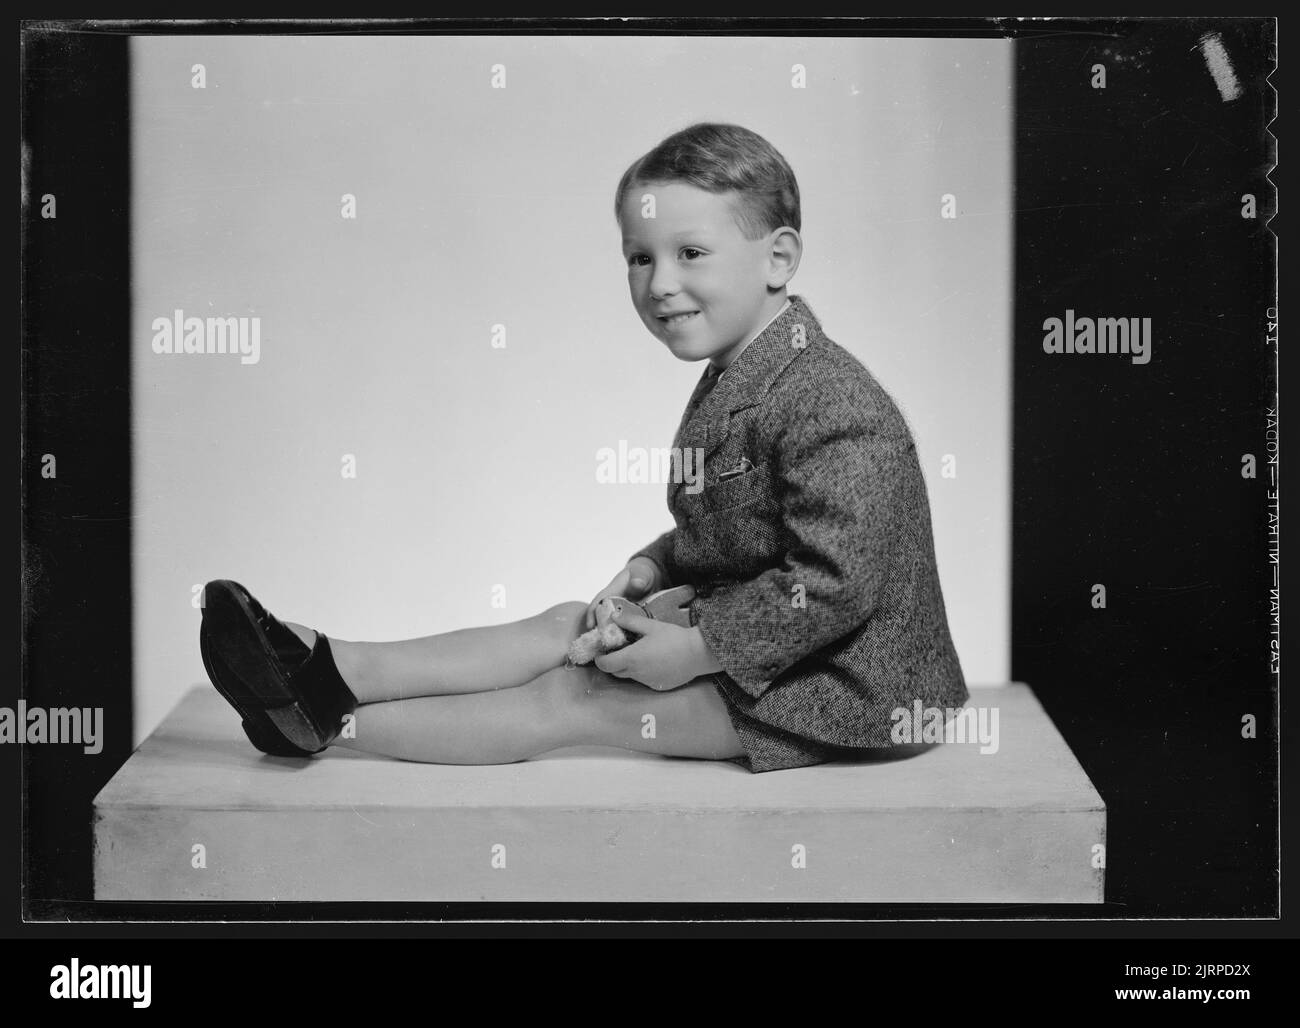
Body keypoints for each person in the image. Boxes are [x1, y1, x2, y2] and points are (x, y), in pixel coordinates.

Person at [200, 121, 967, 772]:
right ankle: (329, 663)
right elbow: (748, 521)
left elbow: (833, 585)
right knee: (566, 623)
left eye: (689, 254)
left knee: (577, 699)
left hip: (849, 691)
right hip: (778, 647)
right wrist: (655, 567)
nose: (659, 283)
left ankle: (325, 726)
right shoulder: (749, 371)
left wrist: (698, 650)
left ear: (778, 258)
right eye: (640, 257)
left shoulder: (834, 403)